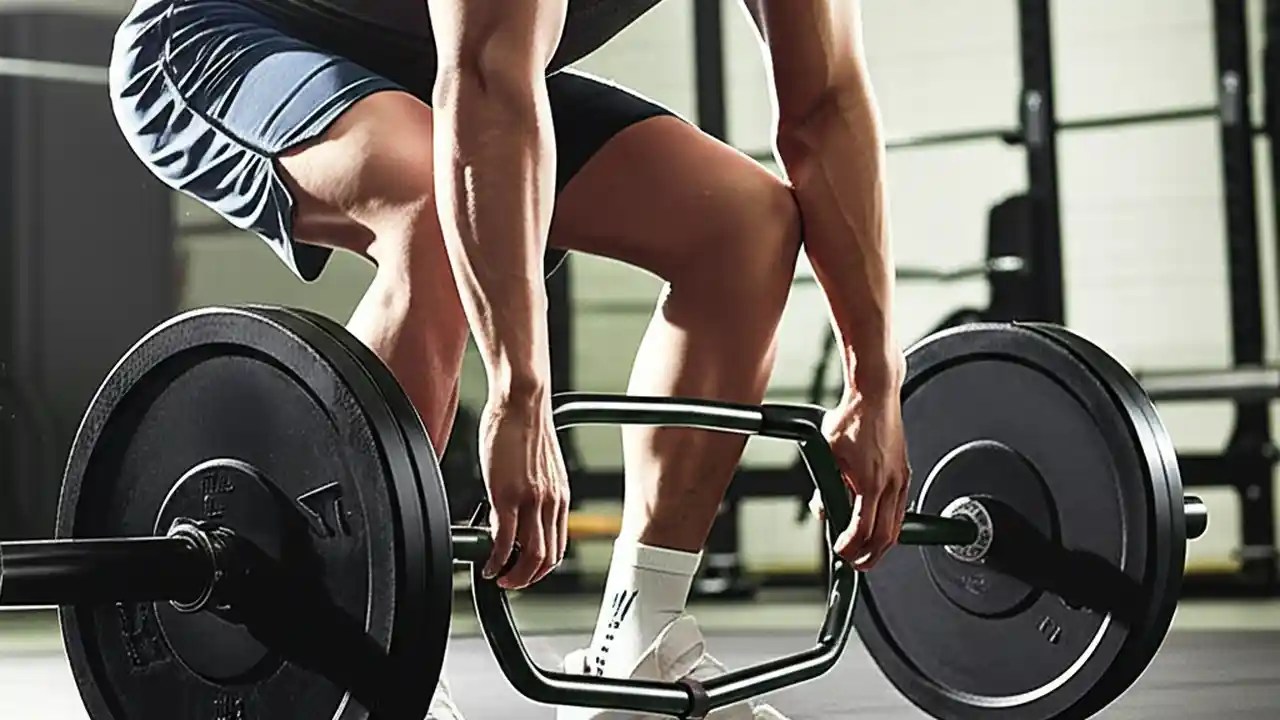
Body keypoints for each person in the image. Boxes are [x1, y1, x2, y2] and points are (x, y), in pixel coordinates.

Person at [107, 0, 912, 717]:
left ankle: (640, 645)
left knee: (745, 225)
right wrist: (519, 394)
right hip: (221, 32)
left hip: (438, 68)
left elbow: (827, 104)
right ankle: (363, 663)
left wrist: (875, 378)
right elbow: (487, 84)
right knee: (428, 206)